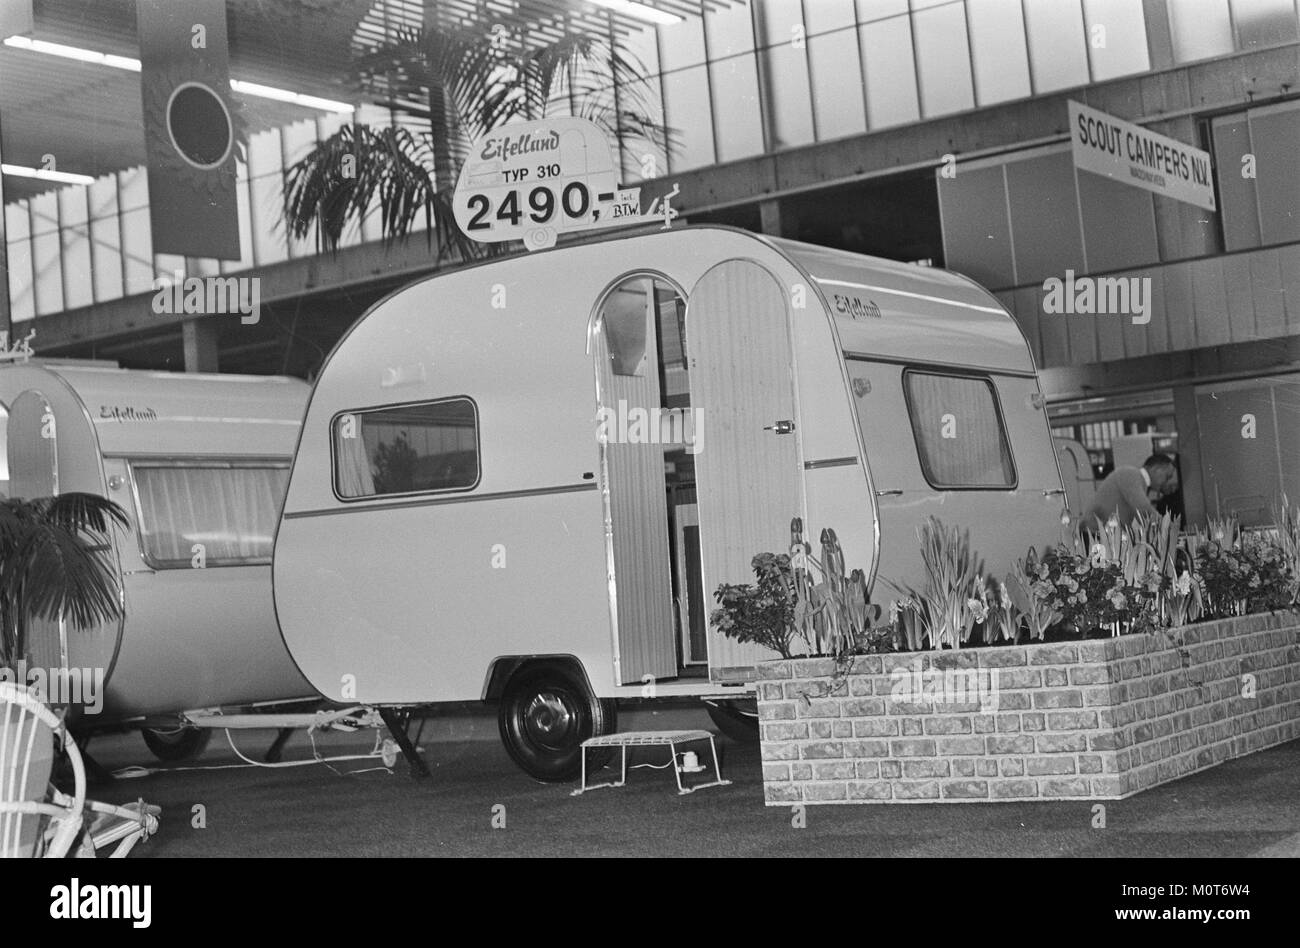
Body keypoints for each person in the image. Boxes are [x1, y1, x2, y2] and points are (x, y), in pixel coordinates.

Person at [1080, 453, 1180, 535]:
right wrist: (1170, 527)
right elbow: (1143, 509)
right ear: (1156, 468)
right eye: (1167, 476)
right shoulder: (1130, 474)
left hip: (1102, 534)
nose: (1166, 482)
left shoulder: (1138, 481)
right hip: (1093, 535)